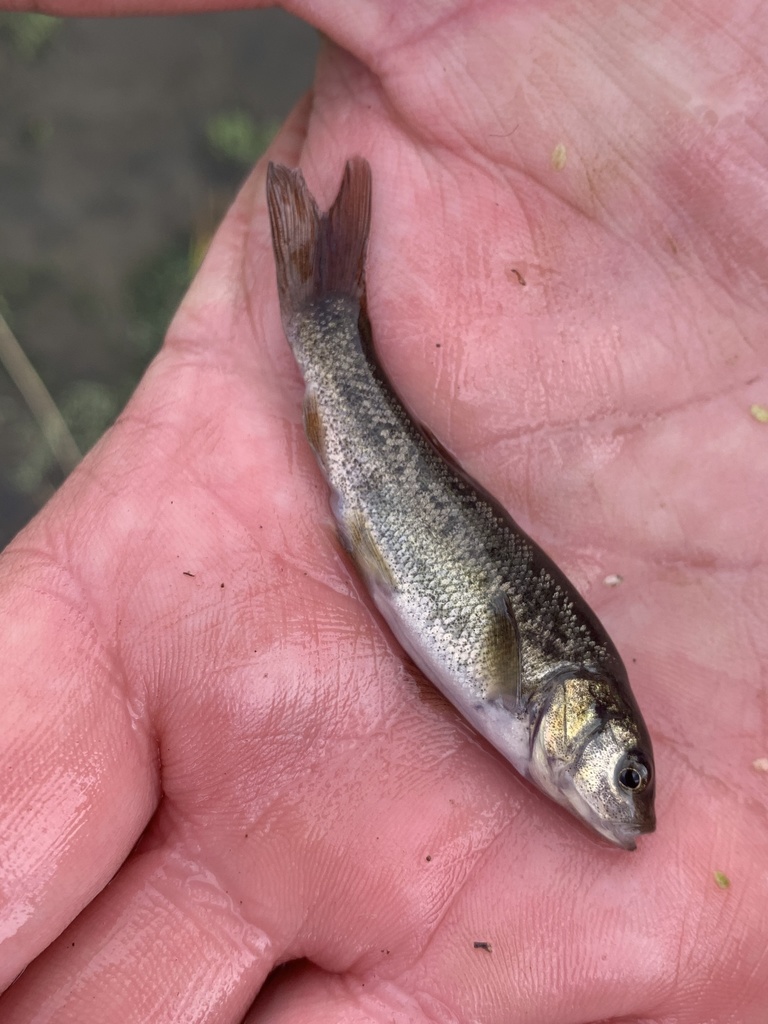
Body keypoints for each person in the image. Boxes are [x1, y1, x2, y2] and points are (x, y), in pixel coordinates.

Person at [1, 1, 766, 1020]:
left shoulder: (550, 705)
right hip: (394, 489)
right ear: (588, 715)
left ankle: (325, 318)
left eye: (626, 780)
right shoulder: (537, 680)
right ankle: (327, 322)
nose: (624, 800)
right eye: (625, 771)